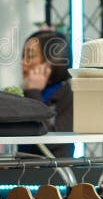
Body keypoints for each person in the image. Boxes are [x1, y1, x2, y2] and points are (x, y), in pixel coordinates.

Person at [20, 29, 74, 158]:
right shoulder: (23, 93)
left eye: (30, 56)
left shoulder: (69, 94)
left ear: (51, 62)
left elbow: (49, 141)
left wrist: (33, 92)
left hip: (54, 173)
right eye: (23, 56)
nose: (23, 62)